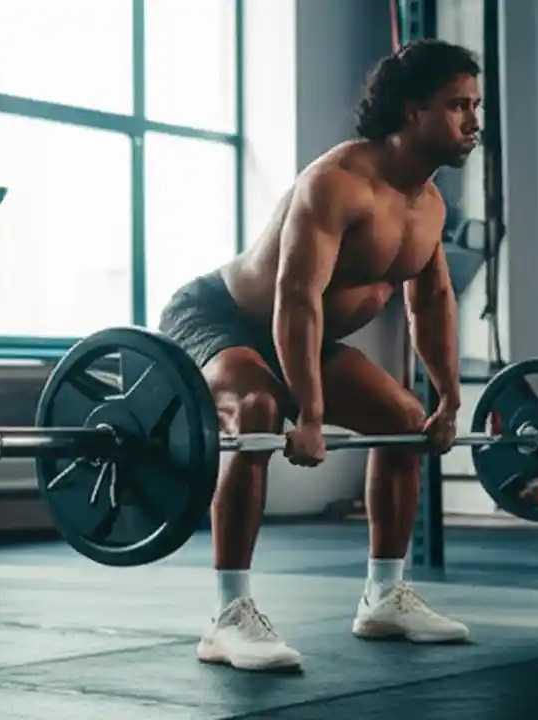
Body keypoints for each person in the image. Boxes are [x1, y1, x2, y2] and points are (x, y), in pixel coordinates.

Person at [158, 39, 481, 672]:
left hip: (295, 332)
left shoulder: (430, 205)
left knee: (403, 421)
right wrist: (305, 413)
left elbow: (434, 301)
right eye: (457, 106)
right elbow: (296, 297)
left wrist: (448, 397)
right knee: (257, 408)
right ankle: (229, 617)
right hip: (221, 318)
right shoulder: (337, 183)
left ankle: (384, 596)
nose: (473, 122)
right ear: (414, 112)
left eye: (476, 105)